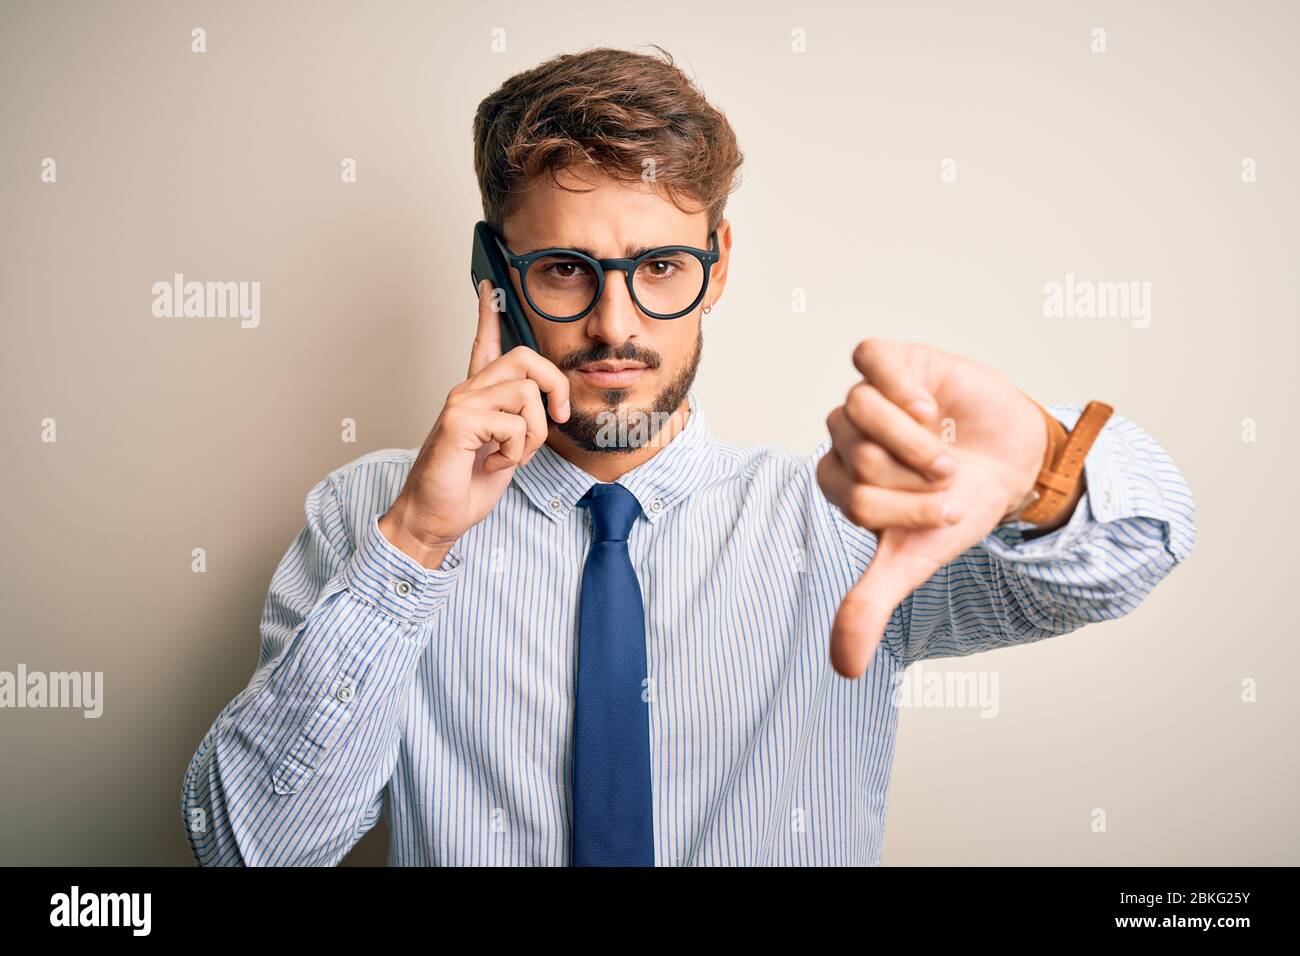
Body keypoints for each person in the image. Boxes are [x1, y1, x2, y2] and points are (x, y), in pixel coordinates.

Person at [181, 45, 1195, 866]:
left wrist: (1040, 475)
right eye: (567, 270)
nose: (615, 325)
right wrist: (415, 544)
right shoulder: (372, 516)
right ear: (495, 272)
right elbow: (249, 850)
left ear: (717, 267)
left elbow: (1141, 547)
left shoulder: (843, 523)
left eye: (659, 265)